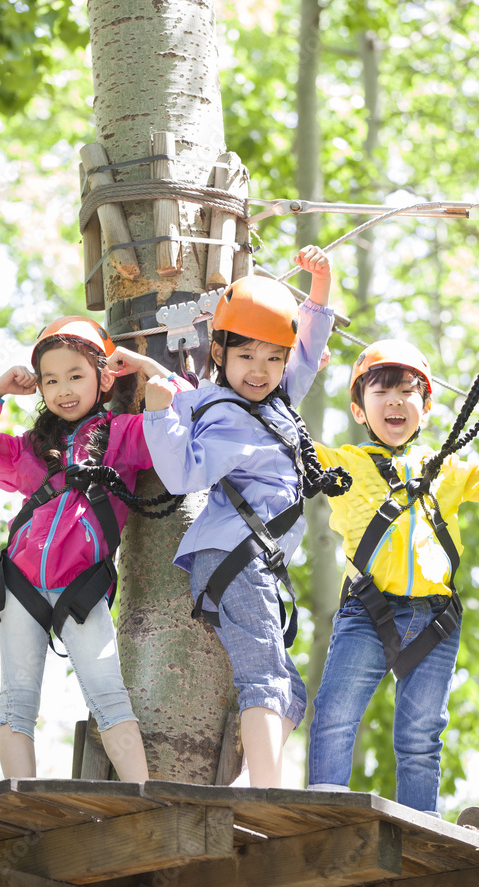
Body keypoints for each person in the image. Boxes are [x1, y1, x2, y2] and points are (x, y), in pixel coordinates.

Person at [142, 246, 350, 788]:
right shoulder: (219, 415)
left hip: (251, 558)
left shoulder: (277, 401)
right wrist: (157, 411)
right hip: (234, 554)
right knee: (264, 676)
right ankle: (267, 791)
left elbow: (308, 346)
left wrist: (320, 286)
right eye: (246, 357)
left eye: (271, 359)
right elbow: (181, 476)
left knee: (288, 686)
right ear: (219, 352)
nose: (259, 371)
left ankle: (255, 781)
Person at [307, 339, 479, 814]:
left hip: (435, 619)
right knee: (335, 713)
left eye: (408, 392)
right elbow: (286, 445)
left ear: (427, 407)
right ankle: (325, 809)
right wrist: (301, 367)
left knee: (421, 734)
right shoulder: (343, 464)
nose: (396, 401)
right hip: (367, 613)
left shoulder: (448, 470)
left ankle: (419, 824)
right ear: (358, 409)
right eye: (381, 392)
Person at [0, 316, 183, 781]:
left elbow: (190, 410)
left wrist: (146, 366)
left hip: (82, 589)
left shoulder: (123, 436)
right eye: (50, 380)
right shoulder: (30, 451)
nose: (63, 389)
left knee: (108, 694)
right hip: (20, 585)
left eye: (76, 375)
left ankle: (143, 796)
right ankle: (21, 801)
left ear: (103, 377)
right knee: (16, 701)